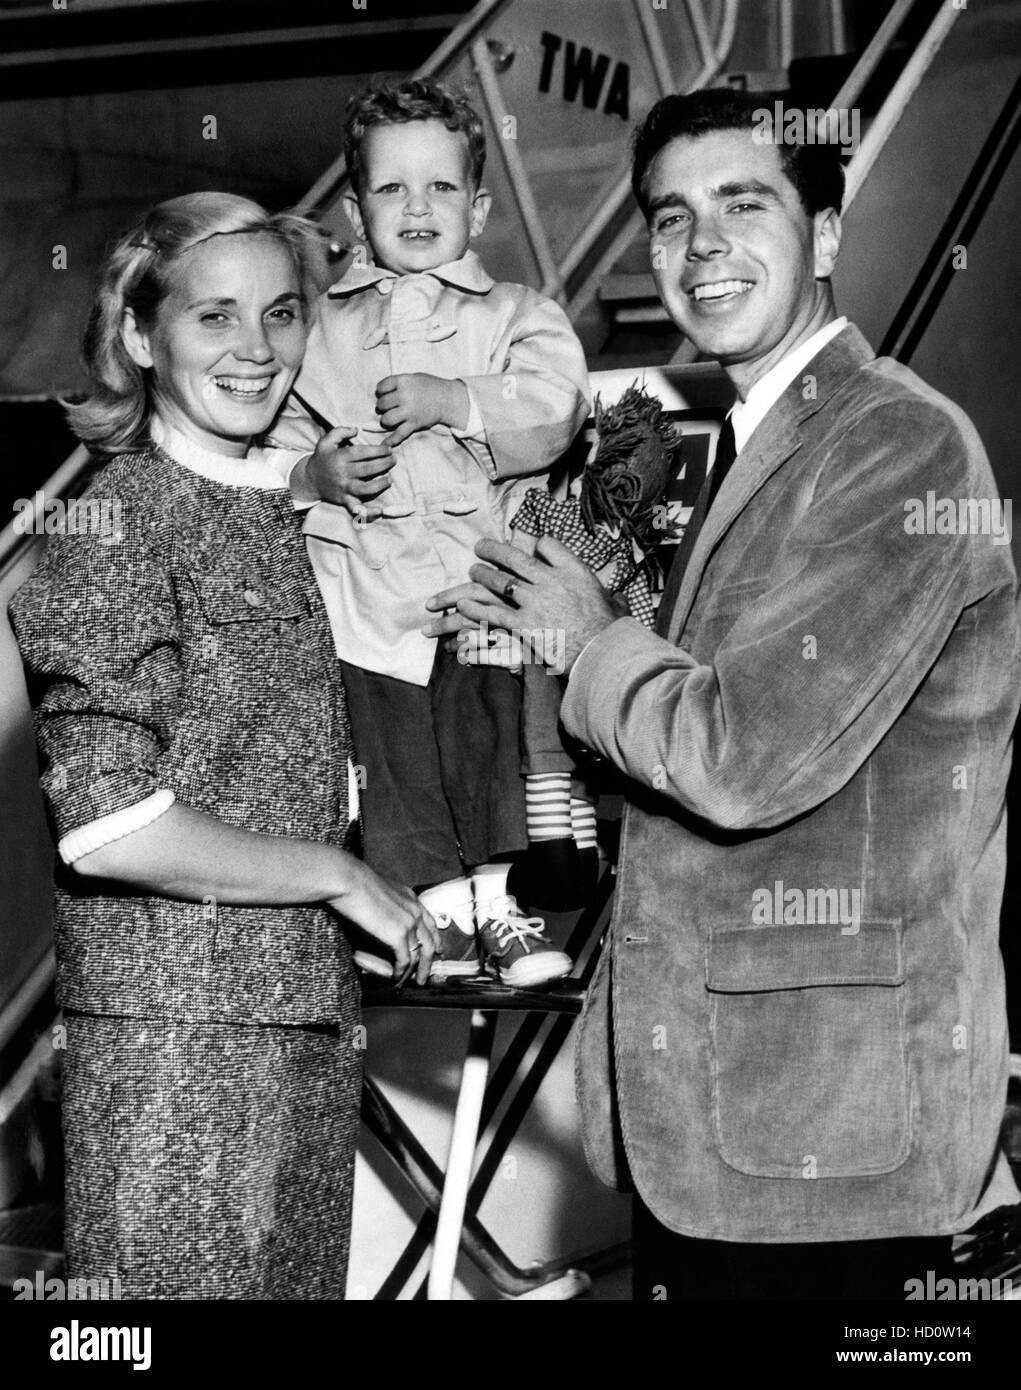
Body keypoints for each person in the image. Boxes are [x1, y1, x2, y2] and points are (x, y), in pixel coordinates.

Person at [424, 88, 1021, 1300]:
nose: (699, 248)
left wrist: (591, 642)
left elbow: (739, 757)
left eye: (742, 204)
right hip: (730, 1123)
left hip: (824, 1144)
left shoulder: (896, 444)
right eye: (668, 218)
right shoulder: (750, 441)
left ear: (829, 233)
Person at [9, 191, 438, 1300]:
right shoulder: (116, 526)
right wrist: (343, 875)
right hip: (179, 1048)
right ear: (142, 338)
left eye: (282, 314)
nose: (257, 351)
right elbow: (109, 828)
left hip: (294, 1017)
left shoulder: (255, 504)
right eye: (215, 318)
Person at [277, 78, 592, 987]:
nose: (416, 208)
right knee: (393, 762)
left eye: (441, 188)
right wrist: (316, 475)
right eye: (389, 189)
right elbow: (284, 443)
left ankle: (506, 908)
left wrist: (456, 401)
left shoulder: (517, 313)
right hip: (367, 599)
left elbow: (555, 412)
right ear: (353, 208)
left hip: (478, 586)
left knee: (487, 741)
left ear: (480, 206)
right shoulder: (320, 328)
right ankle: (442, 920)